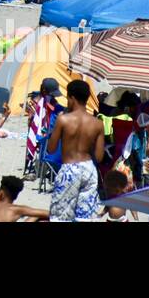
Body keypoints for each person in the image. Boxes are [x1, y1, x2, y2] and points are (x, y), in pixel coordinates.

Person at [45, 79, 105, 222]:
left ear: (72, 98)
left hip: (69, 169)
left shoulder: (63, 120)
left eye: (67, 98)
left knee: (60, 217)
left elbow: (51, 149)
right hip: (89, 170)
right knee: (85, 217)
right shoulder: (98, 124)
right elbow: (99, 156)